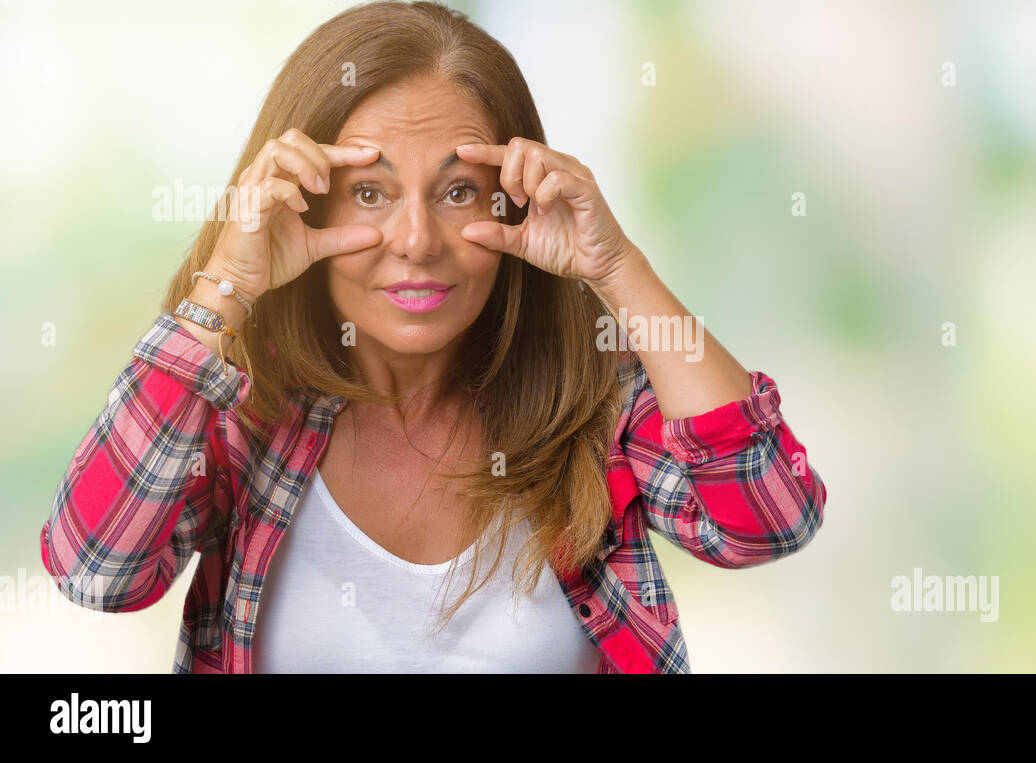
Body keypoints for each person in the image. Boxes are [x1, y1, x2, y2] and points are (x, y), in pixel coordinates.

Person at [40, 0, 826, 674]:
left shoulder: (592, 402)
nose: (416, 240)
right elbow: (95, 571)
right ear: (299, 209)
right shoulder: (239, 405)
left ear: (516, 206)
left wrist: (617, 268)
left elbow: (768, 520)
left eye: (458, 192)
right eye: (369, 192)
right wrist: (226, 289)